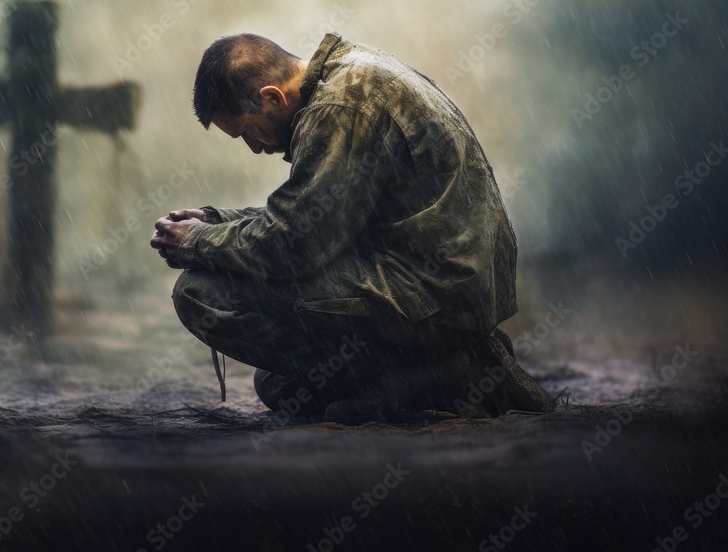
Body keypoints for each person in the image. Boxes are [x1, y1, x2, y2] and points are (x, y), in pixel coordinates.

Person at [149, 32, 554, 423]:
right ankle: (418, 369)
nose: (254, 147)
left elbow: (296, 245)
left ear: (272, 97)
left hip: (436, 294)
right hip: (444, 283)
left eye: (247, 131)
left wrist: (197, 243)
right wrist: (216, 222)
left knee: (199, 293)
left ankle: (449, 368)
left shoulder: (341, 107)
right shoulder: (353, 76)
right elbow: (317, 216)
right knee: (279, 387)